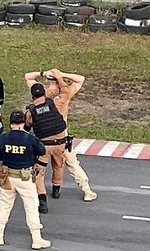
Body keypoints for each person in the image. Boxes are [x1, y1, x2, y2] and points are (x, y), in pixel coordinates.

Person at [24, 68, 97, 202]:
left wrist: (42, 73)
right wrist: (61, 75)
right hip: (61, 135)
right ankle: (86, 189)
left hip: (43, 137)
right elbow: (81, 79)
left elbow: (28, 76)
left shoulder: (42, 94)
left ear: (46, 80)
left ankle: (38, 193)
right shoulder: (65, 93)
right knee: (70, 163)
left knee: (39, 167)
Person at [0, 110, 51, 249]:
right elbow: (41, 151)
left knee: (3, 206)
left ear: (10, 123)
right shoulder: (30, 139)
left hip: (7, 178)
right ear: (23, 123)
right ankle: (36, 239)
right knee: (31, 207)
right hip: (25, 178)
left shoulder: (3, 138)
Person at [23, 82, 68, 215]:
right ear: (43, 93)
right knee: (58, 166)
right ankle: (56, 190)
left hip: (44, 147)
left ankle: (42, 202)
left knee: (39, 173)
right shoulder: (51, 102)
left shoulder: (31, 110)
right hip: (60, 143)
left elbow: (27, 126)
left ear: (32, 96)